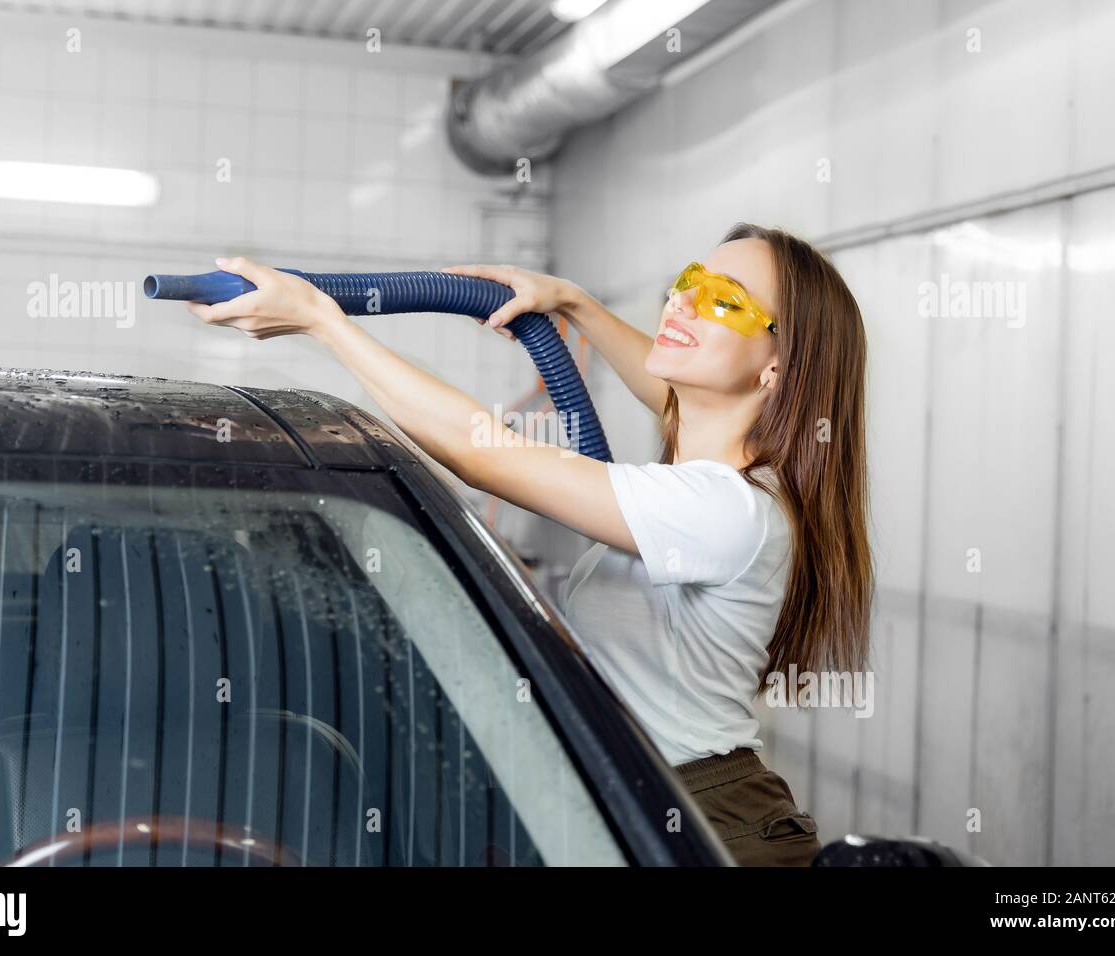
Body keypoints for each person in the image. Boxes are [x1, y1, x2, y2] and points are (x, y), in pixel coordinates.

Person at [182, 222, 872, 866]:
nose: (683, 301)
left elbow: (485, 455)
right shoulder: (710, 475)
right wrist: (571, 302)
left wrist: (321, 321)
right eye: (690, 279)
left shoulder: (724, 510)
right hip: (653, 786)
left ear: (778, 370)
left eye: (723, 300)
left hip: (710, 814)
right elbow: (659, 383)